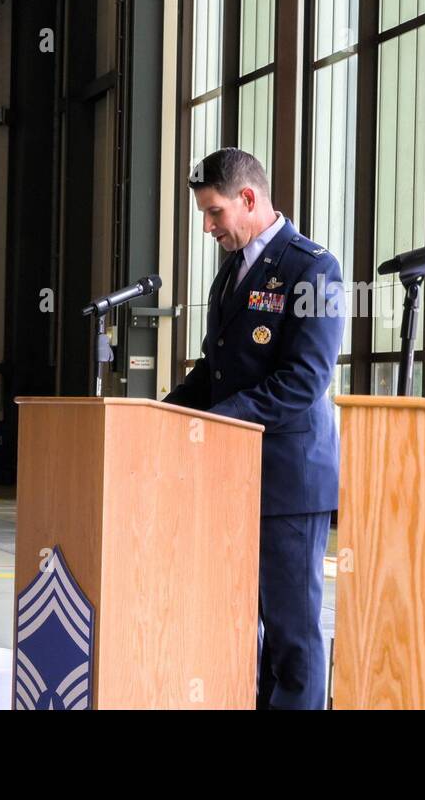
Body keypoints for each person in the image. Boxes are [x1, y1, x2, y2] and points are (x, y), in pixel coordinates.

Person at [164, 147, 344, 710]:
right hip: (231, 478)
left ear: (248, 199)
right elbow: (212, 373)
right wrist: (162, 417)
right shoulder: (230, 274)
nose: (208, 225)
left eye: (214, 212)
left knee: (291, 633)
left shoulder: (314, 267)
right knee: (241, 627)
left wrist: (216, 422)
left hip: (287, 482)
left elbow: (304, 381)